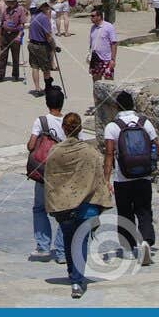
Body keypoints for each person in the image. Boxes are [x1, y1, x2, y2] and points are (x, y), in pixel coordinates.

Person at [43, 111, 112, 299]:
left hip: (64, 205)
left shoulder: (55, 152)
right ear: (80, 128)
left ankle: (73, 275)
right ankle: (77, 279)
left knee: (68, 239)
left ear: (63, 129)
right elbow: (99, 178)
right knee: (80, 241)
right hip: (86, 206)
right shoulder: (90, 152)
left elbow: (50, 178)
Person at [104, 90, 159, 265]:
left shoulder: (113, 126)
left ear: (116, 107)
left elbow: (109, 154)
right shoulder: (145, 123)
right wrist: (149, 163)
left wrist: (106, 178)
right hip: (143, 177)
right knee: (144, 211)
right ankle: (146, 241)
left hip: (122, 178)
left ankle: (128, 249)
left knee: (125, 213)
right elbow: (157, 147)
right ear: (133, 105)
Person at [25, 84, 67, 264]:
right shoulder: (69, 123)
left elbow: (31, 145)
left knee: (40, 208)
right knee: (64, 212)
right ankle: (62, 252)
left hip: (43, 173)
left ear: (47, 103)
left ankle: (43, 246)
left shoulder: (41, 121)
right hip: (62, 175)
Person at [27, 0, 57, 95]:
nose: (48, 8)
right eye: (46, 6)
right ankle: (48, 87)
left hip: (32, 43)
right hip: (41, 46)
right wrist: (54, 46)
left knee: (35, 67)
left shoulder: (34, 16)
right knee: (46, 68)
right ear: (43, 7)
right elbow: (48, 36)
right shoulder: (44, 18)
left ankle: (37, 88)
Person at [0, 0, 25, 83]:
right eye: (8, 2)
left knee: (15, 56)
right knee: (3, 55)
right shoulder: (6, 10)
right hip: (5, 35)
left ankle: (15, 75)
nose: (9, 3)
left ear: (15, 2)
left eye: (11, 2)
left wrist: (19, 35)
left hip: (15, 34)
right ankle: (0, 75)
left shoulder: (20, 10)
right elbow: (1, 23)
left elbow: (22, 24)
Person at [88, 6, 118, 81]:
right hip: (95, 59)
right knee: (96, 83)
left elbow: (114, 44)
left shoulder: (109, 27)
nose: (91, 18)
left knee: (109, 83)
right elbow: (91, 44)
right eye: (90, 16)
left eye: (93, 16)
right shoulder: (93, 28)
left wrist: (113, 60)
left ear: (99, 16)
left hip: (106, 60)